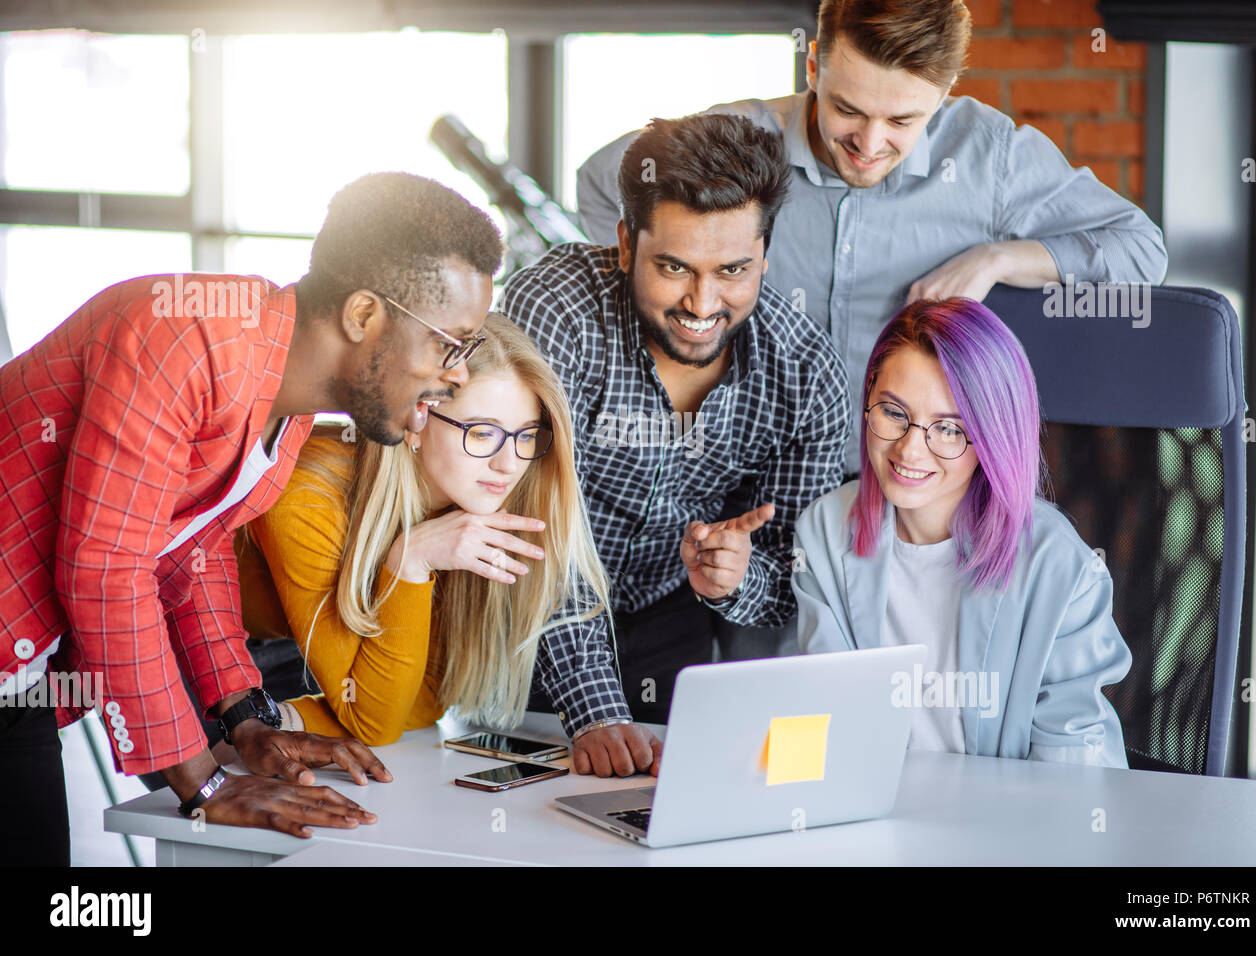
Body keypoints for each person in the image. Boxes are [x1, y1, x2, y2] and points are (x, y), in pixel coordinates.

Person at [0, 171, 502, 863]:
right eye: (453, 343)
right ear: (363, 315)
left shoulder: (284, 401)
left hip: (19, 685)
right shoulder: (182, 336)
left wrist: (242, 717)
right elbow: (107, 569)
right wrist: (201, 787)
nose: (460, 375)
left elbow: (192, 551)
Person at [576, 0, 1168, 475]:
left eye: (903, 121)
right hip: (749, 482)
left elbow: (1140, 250)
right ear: (813, 68)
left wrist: (999, 259)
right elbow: (602, 183)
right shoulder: (741, 138)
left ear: (944, 93)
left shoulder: (991, 157)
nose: (869, 142)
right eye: (847, 109)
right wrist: (679, 320)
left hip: (910, 485)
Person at [501, 111, 852, 774]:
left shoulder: (804, 373)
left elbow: (797, 578)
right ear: (626, 244)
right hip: (520, 613)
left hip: (670, 617)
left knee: (645, 815)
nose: (701, 302)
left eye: (732, 270)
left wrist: (736, 579)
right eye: (675, 267)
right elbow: (529, 525)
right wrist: (597, 710)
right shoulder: (556, 309)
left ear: (765, 257)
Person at [236, 315, 638, 769]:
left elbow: (428, 700)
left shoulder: (464, 512)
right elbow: (376, 722)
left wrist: (290, 717)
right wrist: (410, 559)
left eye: (526, 436)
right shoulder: (308, 491)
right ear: (417, 417)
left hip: (307, 688)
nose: (509, 464)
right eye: (482, 433)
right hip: (218, 676)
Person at [792, 297, 1131, 767]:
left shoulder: (1062, 568)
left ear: (991, 437)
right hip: (873, 817)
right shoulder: (824, 533)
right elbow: (826, 724)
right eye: (893, 411)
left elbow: (1074, 771)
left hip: (1006, 825)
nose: (910, 449)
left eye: (949, 429)